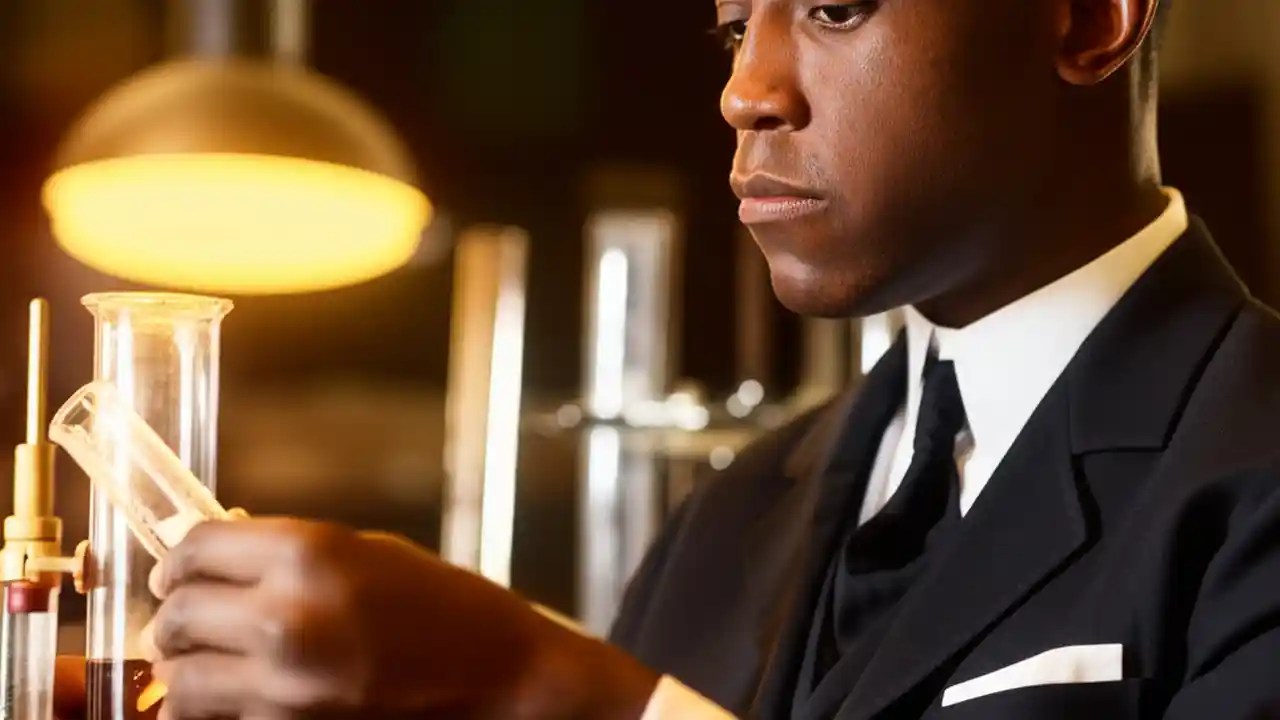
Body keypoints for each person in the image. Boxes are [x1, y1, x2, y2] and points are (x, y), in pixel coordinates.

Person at [53, 0, 1280, 717]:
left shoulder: (1248, 467)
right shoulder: (733, 516)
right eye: (734, 25)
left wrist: (549, 693)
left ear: (1088, 19)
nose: (745, 91)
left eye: (832, 7)